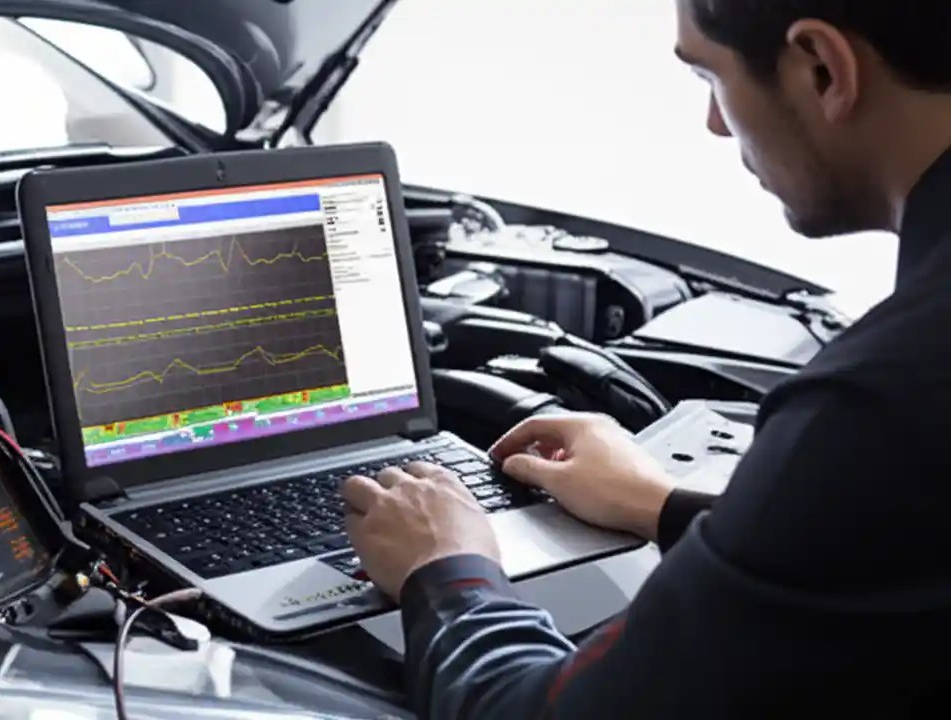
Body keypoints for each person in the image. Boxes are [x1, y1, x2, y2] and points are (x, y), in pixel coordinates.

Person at [342, 1, 951, 717]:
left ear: (823, 66)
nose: (716, 124)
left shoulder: (881, 402)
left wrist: (445, 569)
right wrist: (659, 506)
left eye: (708, 77)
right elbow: (887, 555)